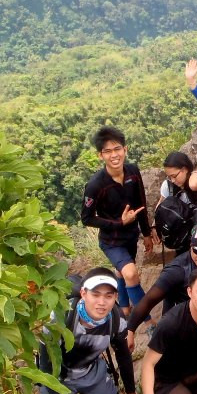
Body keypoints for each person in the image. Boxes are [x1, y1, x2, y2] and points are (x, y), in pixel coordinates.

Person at [36, 267, 142, 394]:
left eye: (108, 296)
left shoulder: (116, 319)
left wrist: (131, 393)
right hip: (59, 375)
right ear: (84, 293)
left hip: (90, 370)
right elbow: (45, 369)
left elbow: (123, 354)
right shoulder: (58, 318)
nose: (102, 302)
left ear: (116, 296)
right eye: (95, 294)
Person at [126, 223, 197, 350]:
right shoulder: (177, 270)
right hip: (180, 323)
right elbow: (149, 300)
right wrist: (130, 330)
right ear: (190, 246)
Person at [80, 126, 155, 311]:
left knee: (122, 273)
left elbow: (141, 204)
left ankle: (124, 308)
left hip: (130, 236)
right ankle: (146, 320)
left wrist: (146, 233)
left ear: (125, 150)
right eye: (107, 151)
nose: (114, 155)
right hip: (111, 241)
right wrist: (119, 223)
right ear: (100, 155)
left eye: (117, 149)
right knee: (131, 273)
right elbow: (87, 218)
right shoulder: (95, 185)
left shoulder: (133, 172)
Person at [159, 151, 197, 217]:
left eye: (174, 176)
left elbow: (194, 185)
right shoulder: (168, 186)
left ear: (185, 169)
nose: (172, 180)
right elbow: (161, 208)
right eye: (169, 177)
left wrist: (194, 173)